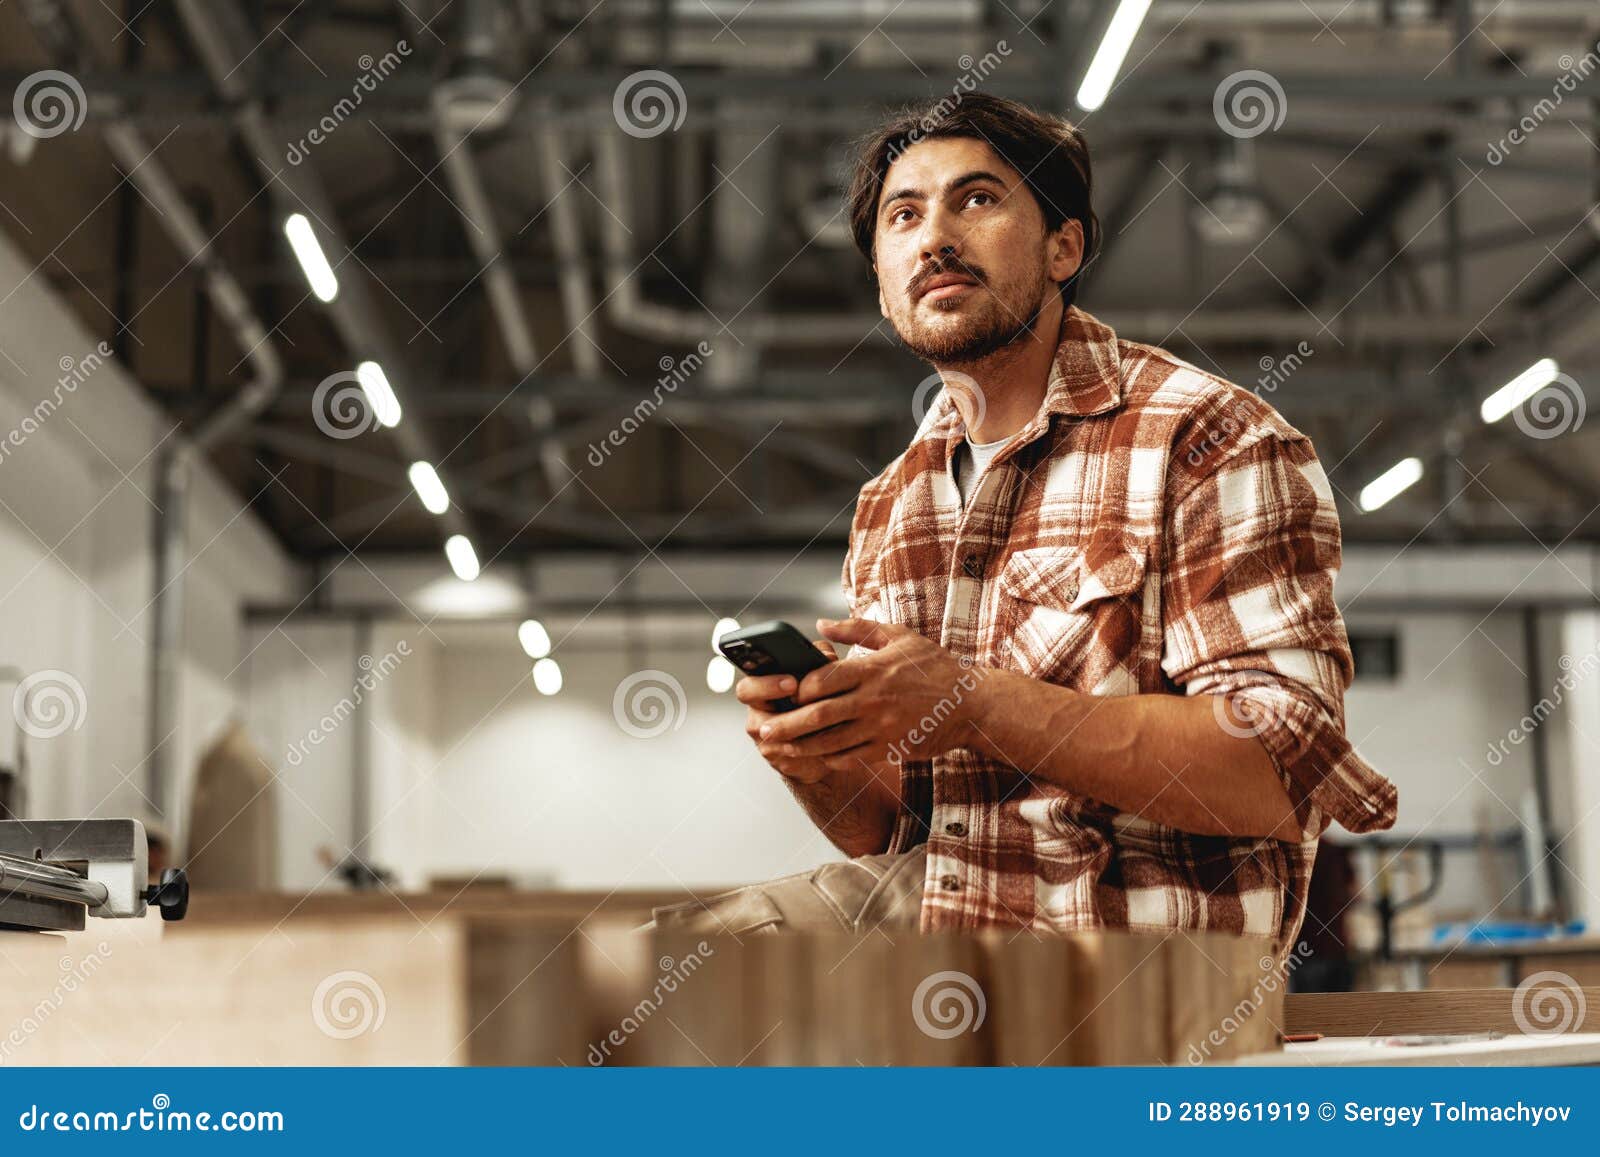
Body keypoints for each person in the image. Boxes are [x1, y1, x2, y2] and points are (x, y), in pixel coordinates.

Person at [651, 93, 1396, 957]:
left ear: (1063, 246)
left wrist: (970, 701)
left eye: (976, 199)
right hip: (947, 964)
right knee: (641, 973)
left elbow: (1280, 771)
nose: (934, 236)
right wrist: (819, 760)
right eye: (903, 215)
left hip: (1144, 981)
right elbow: (894, 835)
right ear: (885, 284)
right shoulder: (893, 505)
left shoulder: (1205, 438)